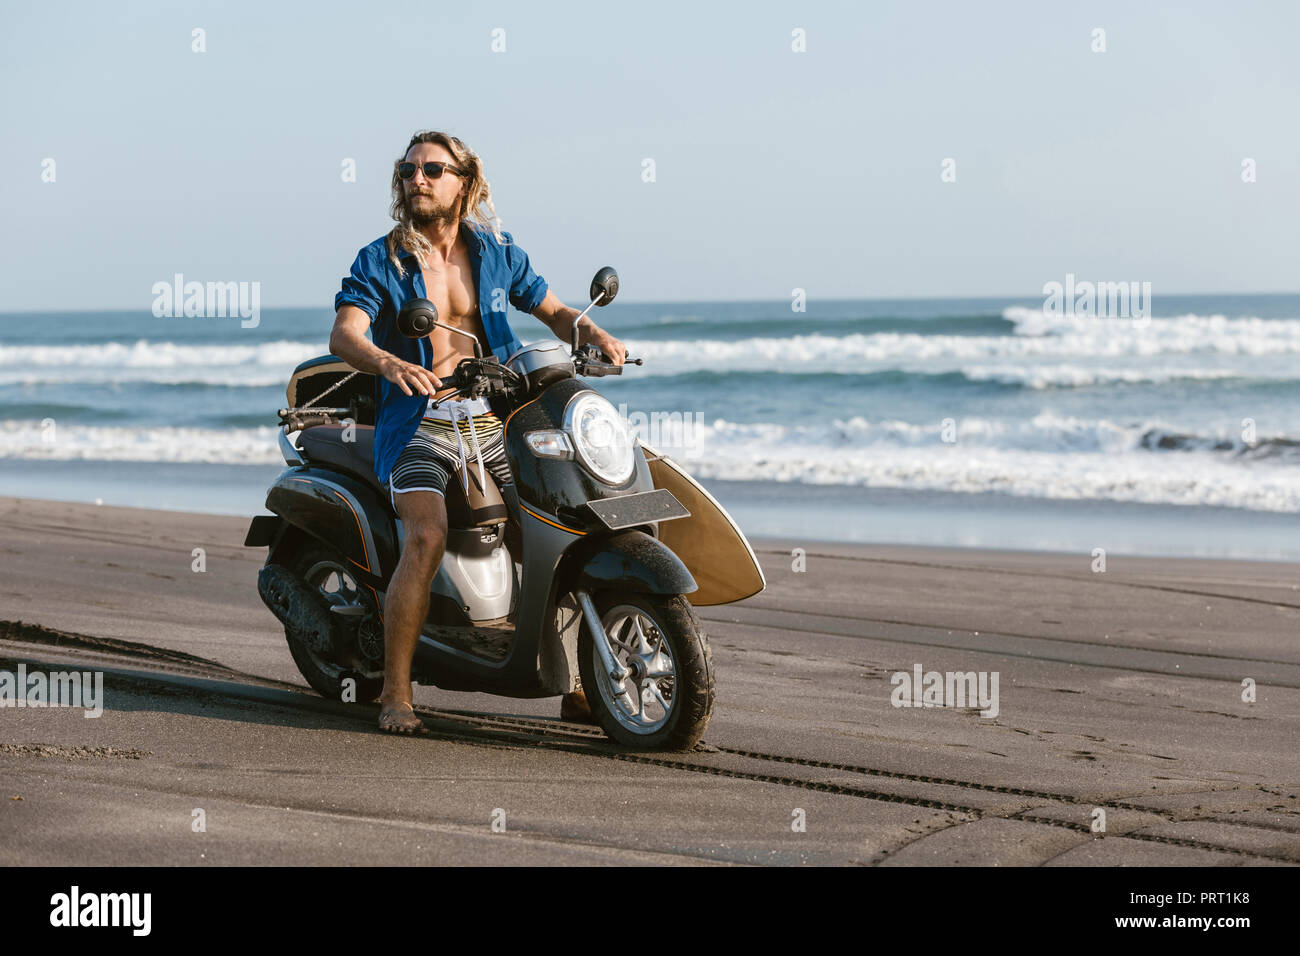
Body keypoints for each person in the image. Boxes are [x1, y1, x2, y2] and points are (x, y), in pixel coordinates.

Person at [329, 130, 627, 734]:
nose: (418, 180)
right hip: (420, 424)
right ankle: (396, 694)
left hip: (496, 418)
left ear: (464, 181)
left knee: (560, 518)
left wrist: (589, 333)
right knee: (426, 535)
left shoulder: (495, 251)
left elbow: (552, 309)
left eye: (433, 170)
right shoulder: (380, 259)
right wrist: (389, 363)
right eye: (409, 170)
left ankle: (575, 681)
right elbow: (346, 335)